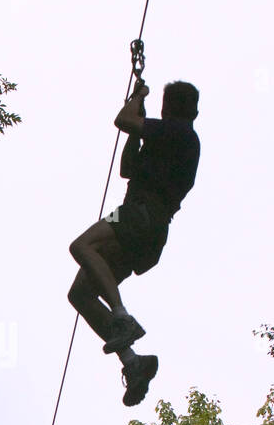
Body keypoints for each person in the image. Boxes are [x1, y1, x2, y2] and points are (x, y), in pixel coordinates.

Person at [68, 78, 200, 406]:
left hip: (140, 215)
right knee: (80, 294)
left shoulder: (178, 133)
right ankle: (134, 363)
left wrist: (137, 99)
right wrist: (136, 127)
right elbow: (128, 168)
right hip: (145, 227)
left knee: (81, 246)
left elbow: (123, 120)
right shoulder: (168, 139)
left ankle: (122, 317)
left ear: (168, 108)